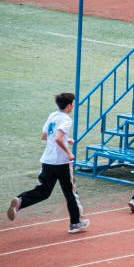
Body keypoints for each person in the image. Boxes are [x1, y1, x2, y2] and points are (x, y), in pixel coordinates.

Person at [7, 93, 89, 234]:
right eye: (73, 104)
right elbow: (57, 138)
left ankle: (21, 201)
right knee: (70, 193)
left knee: (44, 191)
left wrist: (66, 139)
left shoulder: (52, 116)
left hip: (47, 160)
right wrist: (68, 152)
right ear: (69, 105)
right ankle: (76, 223)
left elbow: (45, 136)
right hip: (62, 162)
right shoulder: (66, 120)